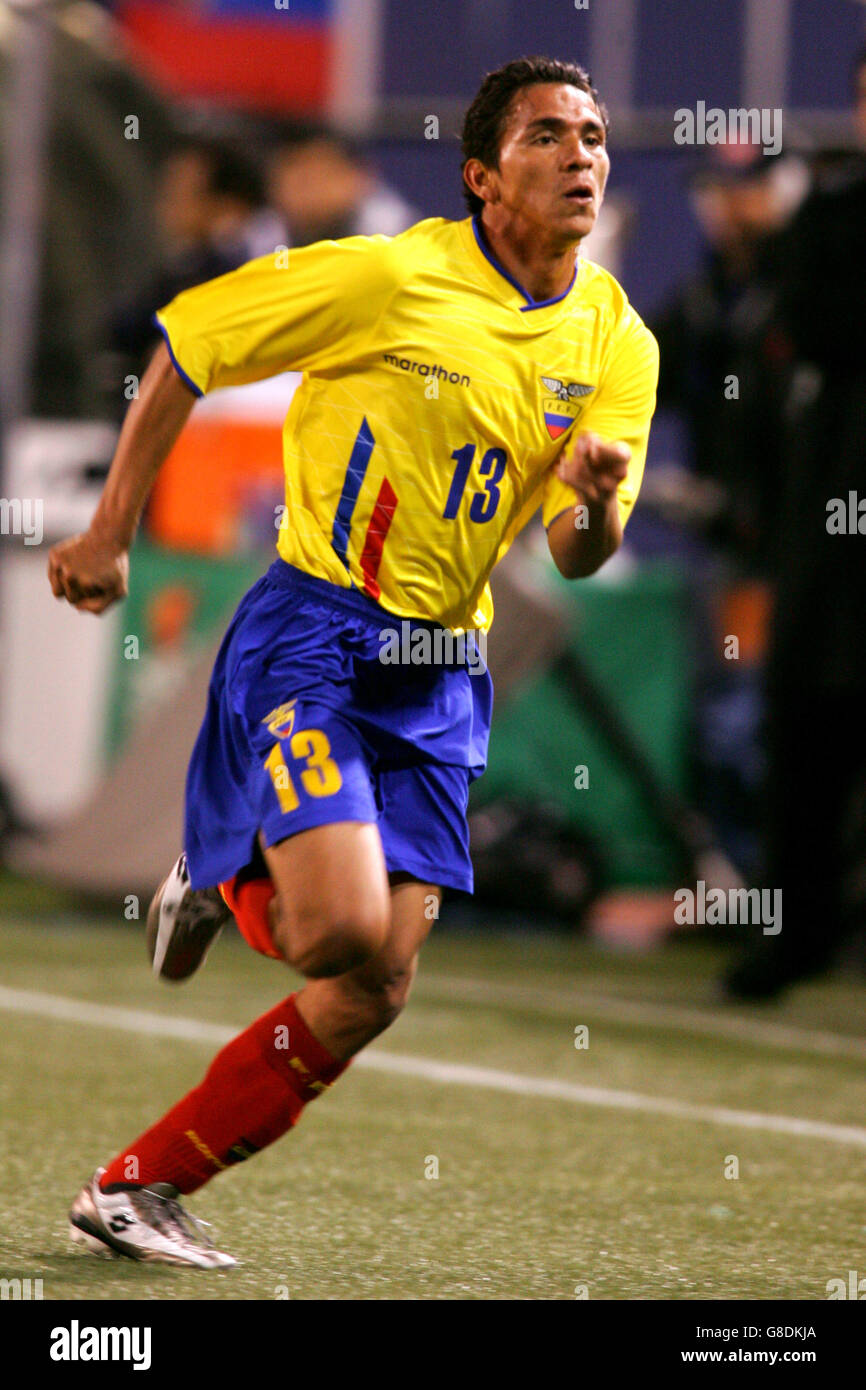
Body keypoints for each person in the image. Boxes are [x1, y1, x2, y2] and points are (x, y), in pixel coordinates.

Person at [48, 56, 659, 1268]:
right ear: (484, 177)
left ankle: (138, 1186)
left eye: (591, 133)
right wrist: (112, 527)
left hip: (441, 675)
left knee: (374, 987)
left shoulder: (616, 343)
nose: (581, 153)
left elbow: (578, 557)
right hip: (317, 634)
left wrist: (588, 503)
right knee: (337, 932)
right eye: (546, 134)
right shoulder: (390, 275)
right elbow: (189, 345)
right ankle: (227, 873)